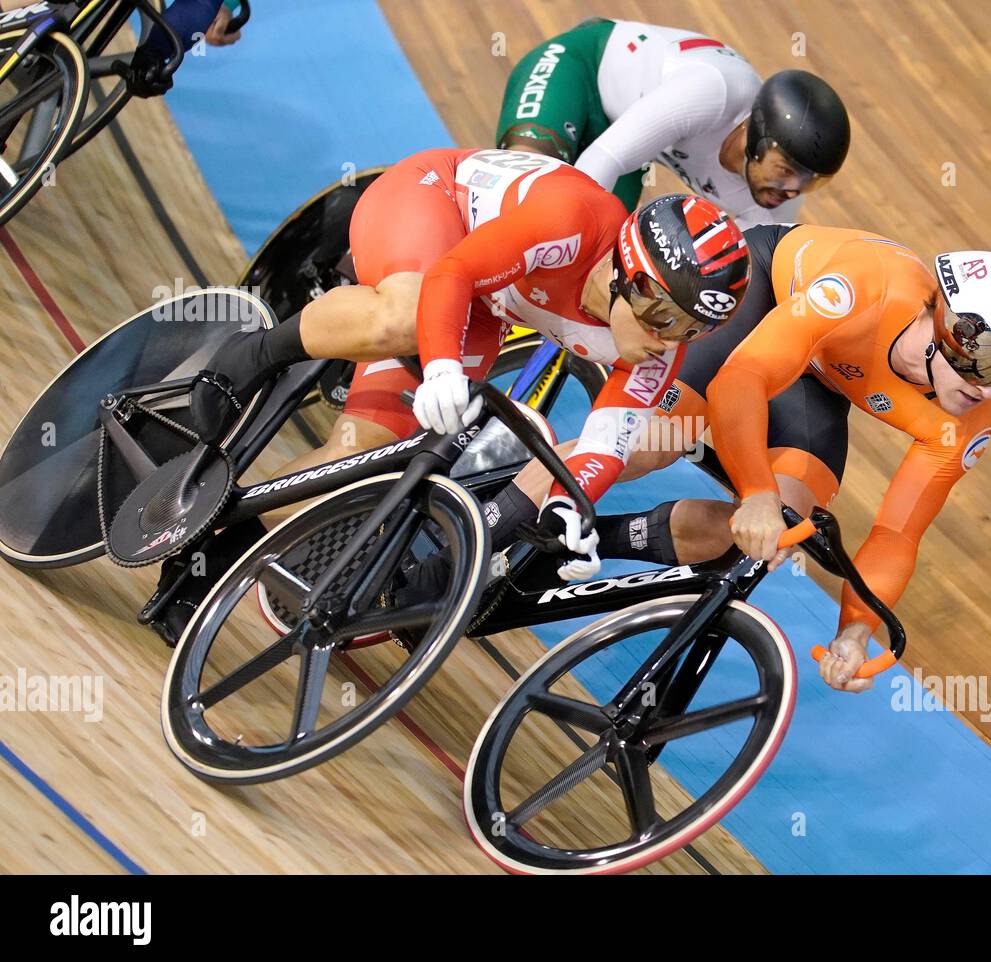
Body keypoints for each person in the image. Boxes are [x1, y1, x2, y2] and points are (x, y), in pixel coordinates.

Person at [145, 148, 750, 642]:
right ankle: (250, 356)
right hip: (434, 205)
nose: (674, 342)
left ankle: (211, 558)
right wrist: (438, 369)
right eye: (667, 319)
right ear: (631, 276)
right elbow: (453, 274)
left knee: (357, 462)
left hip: (487, 300)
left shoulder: (655, 354)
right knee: (408, 317)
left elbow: (602, 449)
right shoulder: (571, 223)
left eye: (697, 330)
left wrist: (572, 506)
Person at [509, 224, 991, 692]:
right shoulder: (866, 290)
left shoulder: (964, 422)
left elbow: (897, 534)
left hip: (821, 377)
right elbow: (739, 381)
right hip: (763, 297)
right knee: (651, 443)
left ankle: (583, 540)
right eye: (989, 363)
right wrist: (757, 491)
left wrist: (855, 631)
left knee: (776, 533)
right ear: (951, 332)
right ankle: (500, 518)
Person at [497, 17, 849, 228]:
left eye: (808, 183)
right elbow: (602, 159)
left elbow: (757, 280)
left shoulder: (775, 205)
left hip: (626, 138)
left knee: (601, 249)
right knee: (532, 182)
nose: (791, 190)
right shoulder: (712, 92)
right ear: (757, 141)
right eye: (786, 170)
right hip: (581, 69)